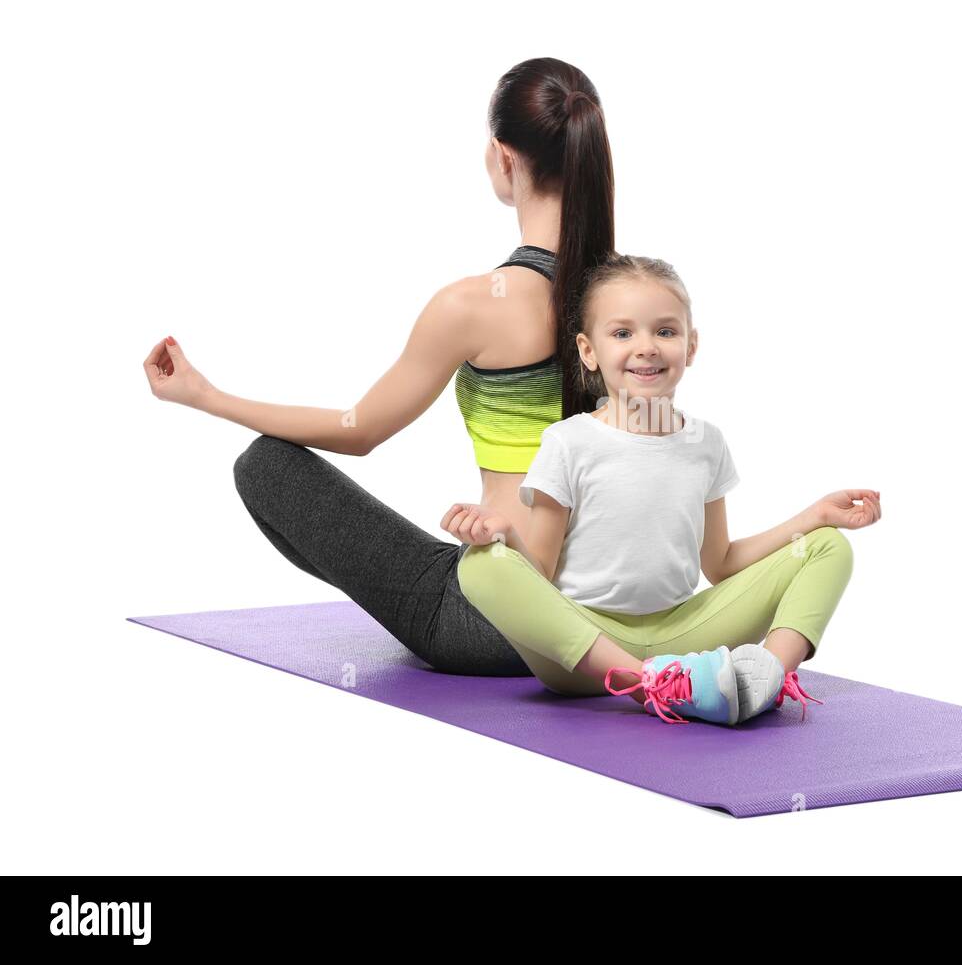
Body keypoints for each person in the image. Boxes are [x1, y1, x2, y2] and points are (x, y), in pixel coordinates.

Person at [142, 57, 615, 675]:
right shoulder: (628, 297)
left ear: (503, 156)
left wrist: (205, 395)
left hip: (497, 619)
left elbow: (358, 429)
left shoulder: (473, 305)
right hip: (597, 614)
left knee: (266, 466)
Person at [446, 254, 881, 725]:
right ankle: (651, 686)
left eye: (665, 332)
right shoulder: (568, 442)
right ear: (589, 351)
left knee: (829, 548)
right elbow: (542, 575)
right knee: (480, 566)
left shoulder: (706, 443)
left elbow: (721, 564)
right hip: (585, 650)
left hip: (683, 635)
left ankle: (766, 674)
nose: (646, 347)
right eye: (622, 333)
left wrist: (813, 518)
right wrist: (505, 538)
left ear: (691, 347)